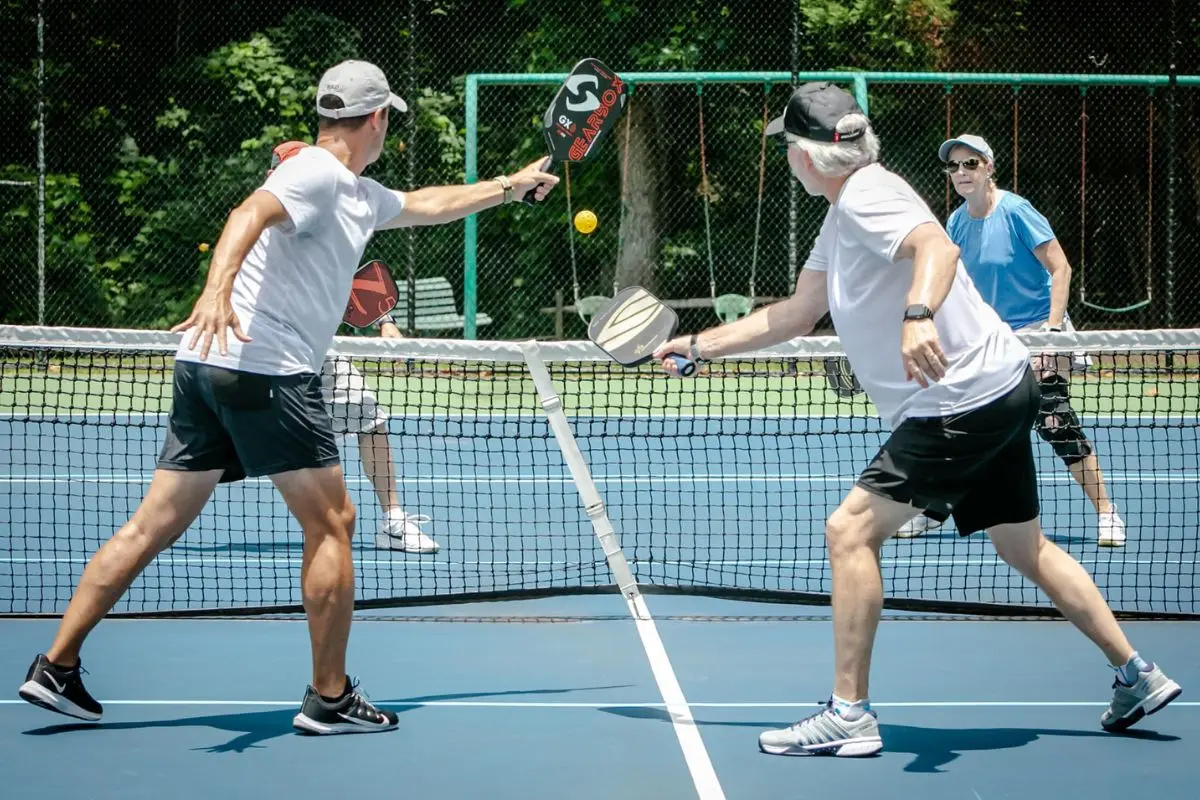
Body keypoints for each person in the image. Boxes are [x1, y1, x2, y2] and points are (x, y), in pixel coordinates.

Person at [17, 59, 557, 734]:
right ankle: (328, 699)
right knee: (333, 523)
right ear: (378, 118)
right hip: (265, 372)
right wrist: (216, 289)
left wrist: (511, 186)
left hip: (204, 369)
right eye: (388, 118)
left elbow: (427, 203)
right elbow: (250, 212)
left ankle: (55, 667)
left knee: (153, 524)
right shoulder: (315, 173)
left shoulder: (355, 191)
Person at [653, 82, 1181, 757]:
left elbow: (938, 250)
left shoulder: (871, 196)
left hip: (955, 401)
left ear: (809, 156)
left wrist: (917, 314)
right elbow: (795, 313)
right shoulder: (845, 213)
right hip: (999, 387)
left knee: (848, 531)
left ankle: (848, 714)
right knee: (1025, 547)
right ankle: (1135, 673)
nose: (786, 157)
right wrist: (700, 347)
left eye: (788, 145)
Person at [895, 134, 1125, 546]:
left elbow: (1061, 269)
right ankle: (933, 510)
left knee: (1054, 421)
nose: (961, 173)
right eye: (954, 167)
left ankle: (1107, 513)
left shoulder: (1017, 211)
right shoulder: (956, 222)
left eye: (970, 164)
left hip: (1039, 328)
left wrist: (1051, 339)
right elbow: (955, 285)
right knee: (957, 419)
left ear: (988, 167)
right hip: (990, 337)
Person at [271, 139, 438, 554]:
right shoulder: (270, 214)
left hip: (319, 348)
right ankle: (158, 525)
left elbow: (349, 279)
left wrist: (386, 322)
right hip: (264, 348)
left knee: (369, 417)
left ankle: (393, 521)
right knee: (216, 451)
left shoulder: (331, 207)